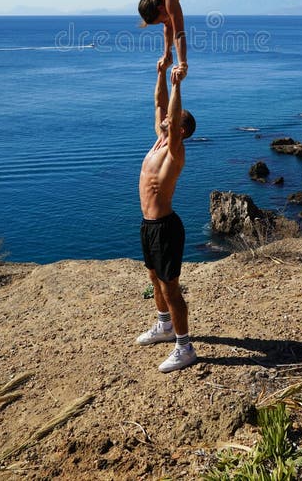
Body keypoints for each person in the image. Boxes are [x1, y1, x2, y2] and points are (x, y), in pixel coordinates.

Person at [137, 55, 197, 372]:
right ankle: (164, 326)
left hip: (166, 228)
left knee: (171, 289)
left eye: (172, 122)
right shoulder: (159, 142)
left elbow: (170, 116)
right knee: (154, 280)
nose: (163, 121)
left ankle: (185, 348)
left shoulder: (175, 149)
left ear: (181, 130)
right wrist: (160, 74)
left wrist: (177, 85)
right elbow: (160, 105)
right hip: (148, 225)